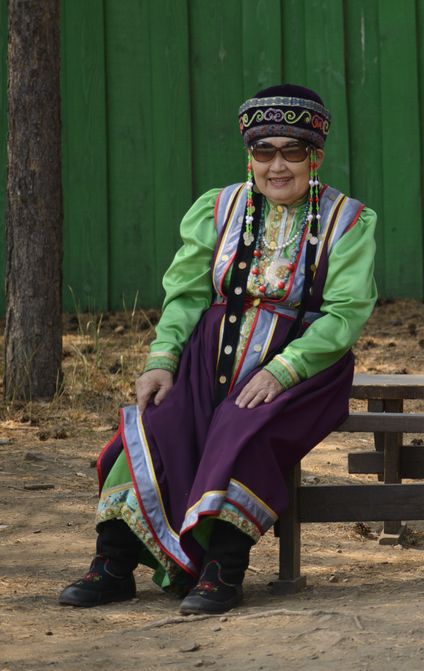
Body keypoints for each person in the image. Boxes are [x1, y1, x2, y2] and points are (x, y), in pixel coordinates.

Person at [59, 84, 377, 613]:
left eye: (293, 151)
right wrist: (162, 360)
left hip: (304, 365)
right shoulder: (218, 207)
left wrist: (282, 370)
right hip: (208, 356)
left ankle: (222, 571)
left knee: (242, 431)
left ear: (315, 157)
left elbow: (345, 316)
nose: (277, 165)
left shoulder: (349, 221)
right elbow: (186, 294)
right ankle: (113, 565)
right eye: (264, 151)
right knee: (156, 425)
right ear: (249, 156)